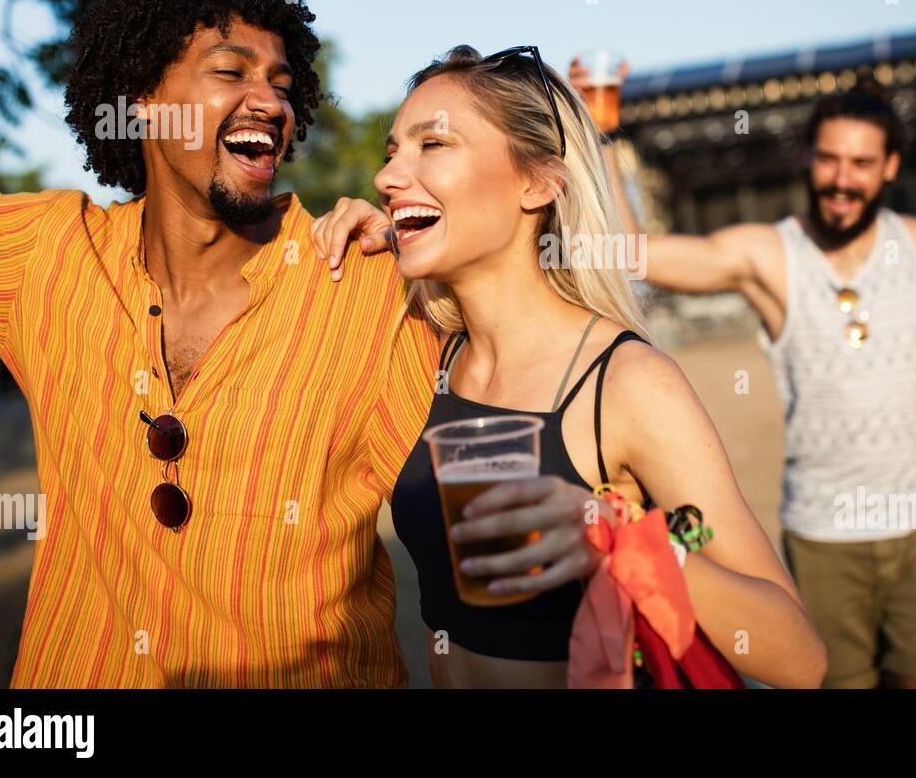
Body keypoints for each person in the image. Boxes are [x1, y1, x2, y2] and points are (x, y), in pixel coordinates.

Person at [0, 0, 582, 687]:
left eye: (282, 84)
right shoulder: (42, 255)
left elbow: (491, 503)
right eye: (230, 71)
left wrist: (432, 249)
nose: (270, 103)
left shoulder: (362, 290)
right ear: (142, 99)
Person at [310, 45, 827, 688]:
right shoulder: (423, 347)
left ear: (538, 182)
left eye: (433, 145)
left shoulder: (628, 382)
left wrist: (613, 537)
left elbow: (798, 656)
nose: (388, 176)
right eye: (393, 153)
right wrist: (364, 235)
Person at [580, 71, 916, 689]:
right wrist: (604, 135)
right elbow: (634, 251)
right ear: (807, 159)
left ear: (891, 167)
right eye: (829, 159)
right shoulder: (768, 253)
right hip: (825, 536)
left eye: (862, 162)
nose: (843, 179)